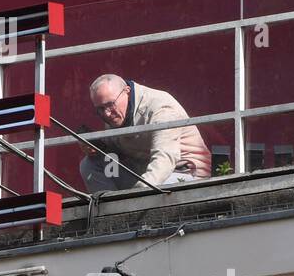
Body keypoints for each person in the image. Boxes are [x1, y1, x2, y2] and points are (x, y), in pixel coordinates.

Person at [79, 74, 212, 192]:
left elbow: (165, 158)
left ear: (127, 91)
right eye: (100, 108)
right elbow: (117, 148)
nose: (107, 113)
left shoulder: (160, 108)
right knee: (91, 163)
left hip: (185, 175)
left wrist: (138, 195)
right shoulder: (116, 113)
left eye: (110, 104)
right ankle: (110, 213)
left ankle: (129, 212)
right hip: (145, 172)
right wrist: (95, 145)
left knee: (155, 181)